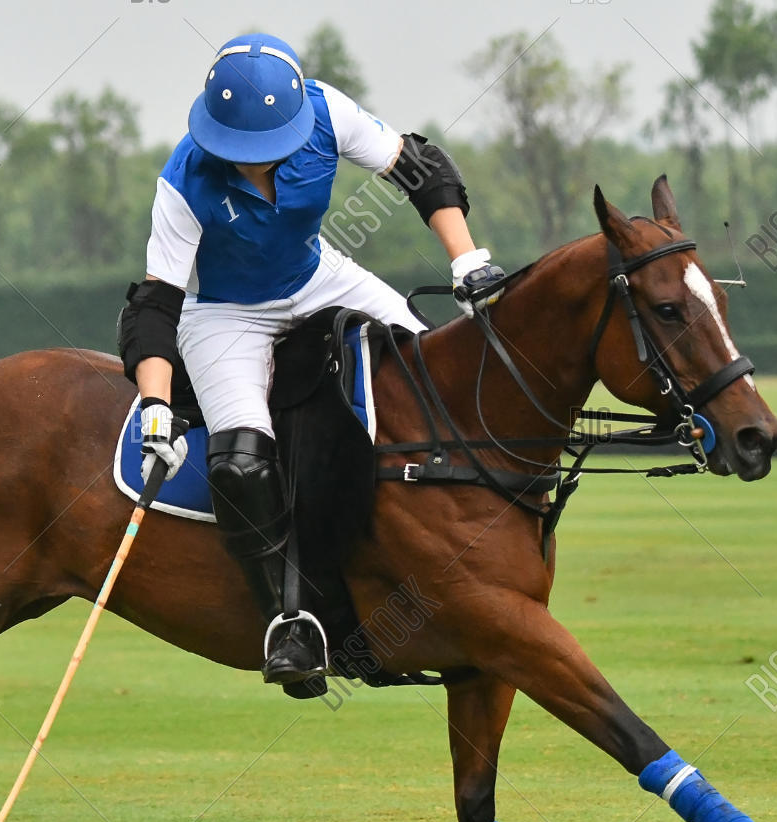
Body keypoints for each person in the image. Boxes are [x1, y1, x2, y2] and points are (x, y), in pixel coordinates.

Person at [117, 32, 502, 685]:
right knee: (239, 460)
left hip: (317, 278)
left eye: (269, 152)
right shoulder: (183, 179)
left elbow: (419, 167)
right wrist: (155, 404)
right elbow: (156, 306)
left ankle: (460, 561)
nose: (255, 165)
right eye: (242, 154)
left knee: (435, 376)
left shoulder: (327, 113)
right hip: (225, 315)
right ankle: (291, 620)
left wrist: (467, 259)